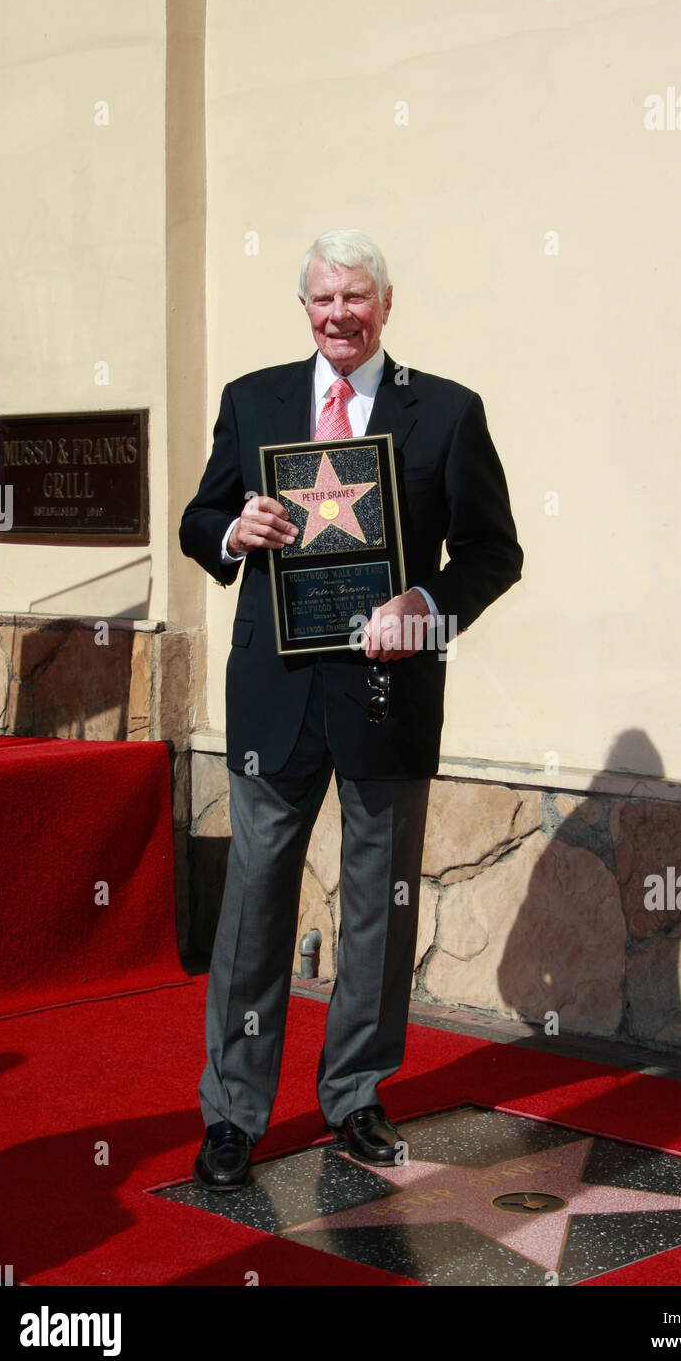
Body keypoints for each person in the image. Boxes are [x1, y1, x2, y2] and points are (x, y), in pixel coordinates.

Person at [179, 229, 523, 1190]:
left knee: (378, 908)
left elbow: (494, 554)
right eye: (324, 298)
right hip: (274, 701)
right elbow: (198, 519)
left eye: (356, 298)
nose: (340, 314)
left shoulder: (447, 412)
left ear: (385, 305)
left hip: (387, 694)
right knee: (253, 908)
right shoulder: (253, 400)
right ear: (304, 307)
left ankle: (357, 1095)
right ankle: (235, 1114)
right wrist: (232, 531)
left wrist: (428, 607)